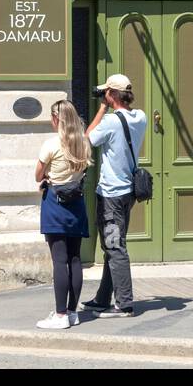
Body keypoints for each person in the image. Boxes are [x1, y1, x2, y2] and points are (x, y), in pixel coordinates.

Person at [83, 73, 147, 317]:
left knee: (114, 246)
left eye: (106, 93)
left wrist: (101, 108)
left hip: (110, 195)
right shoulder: (139, 117)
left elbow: (87, 138)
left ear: (111, 94)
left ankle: (125, 303)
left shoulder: (109, 121)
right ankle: (102, 298)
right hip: (128, 193)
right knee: (113, 246)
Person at [35, 100, 92, 330]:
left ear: (56, 119)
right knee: (75, 258)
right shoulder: (83, 143)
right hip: (76, 204)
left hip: (55, 204)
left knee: (59, 260)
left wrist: (48, 175)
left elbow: (38, 175)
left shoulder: (51, 144)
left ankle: (59, 316)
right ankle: (72, 311)